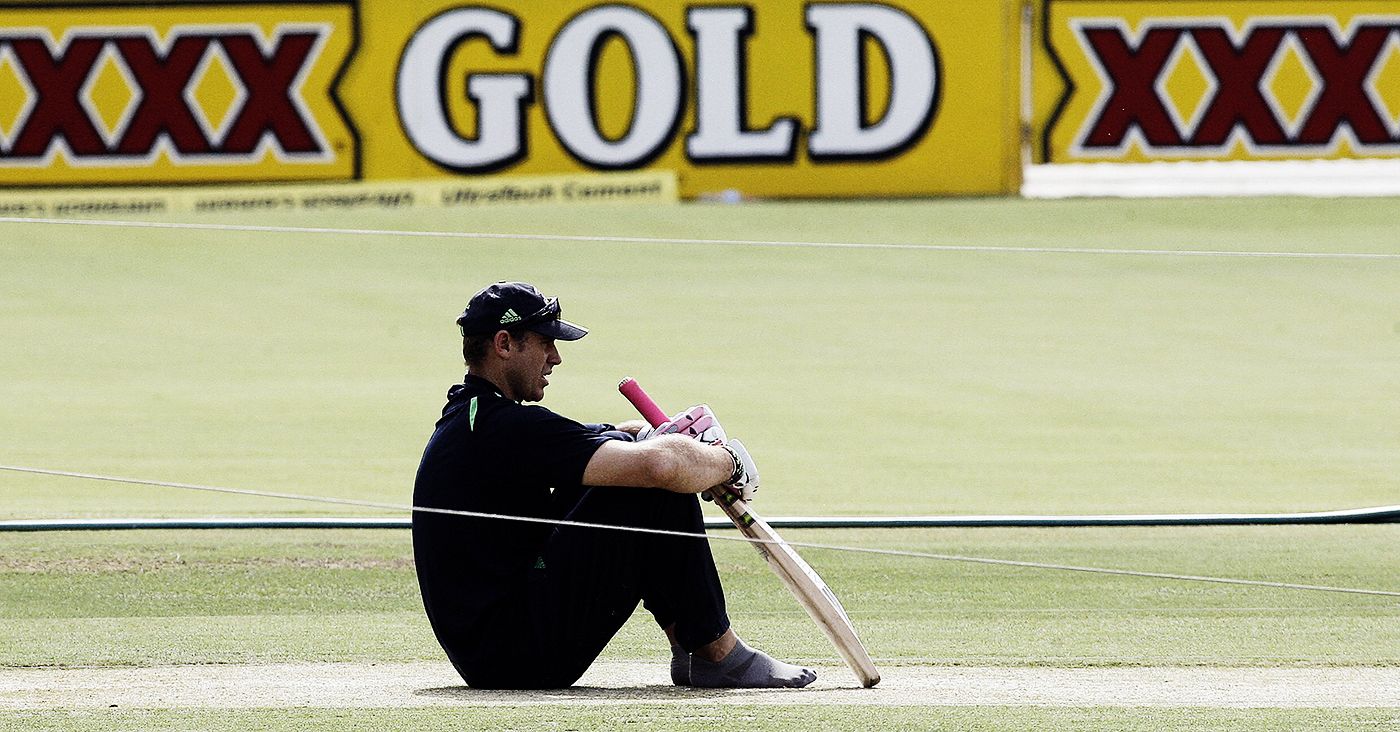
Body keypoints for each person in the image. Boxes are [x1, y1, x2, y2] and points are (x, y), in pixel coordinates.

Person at [412, 281, 817, 690]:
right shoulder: (501, 427)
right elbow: (659, 465)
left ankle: (693, 650)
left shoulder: (478, 417)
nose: (555, 357)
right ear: (504, 344)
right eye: (545, 342)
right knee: (649, 482)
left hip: (498, 649)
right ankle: (719, 655)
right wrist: (727, 462)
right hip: (517, 656)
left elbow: (609, 440)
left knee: (628, 460)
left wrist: (670, 439)